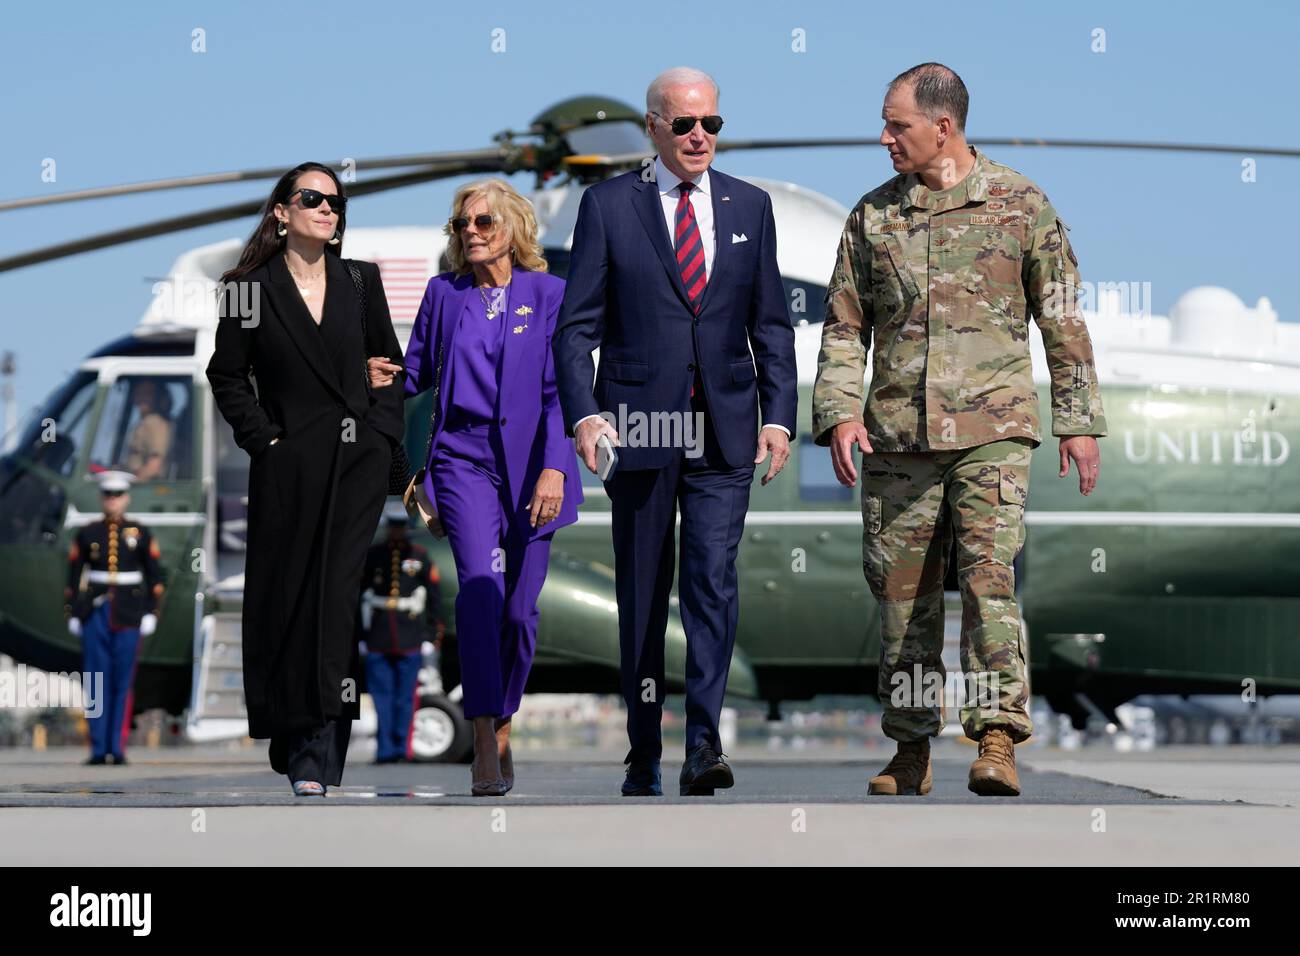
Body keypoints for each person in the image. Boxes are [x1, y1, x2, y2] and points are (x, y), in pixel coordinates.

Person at [812, 63, 1107, 797]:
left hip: (992, 433)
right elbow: (844, 329)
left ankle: (997, 739)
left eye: (897, 125)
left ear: (944, 127)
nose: (884, 139)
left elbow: (1062, 319)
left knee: (988, 584)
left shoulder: (1021, 205)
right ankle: (911, 752)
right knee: (902, 600)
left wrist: (1078, 423)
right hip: (898, 443)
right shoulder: (872, 218)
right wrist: (840, 413)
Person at [552, 67, 797, 797]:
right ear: (654, 128)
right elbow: (575, 330)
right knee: (643, 591)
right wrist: (584, 414)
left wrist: (779, 414)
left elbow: (771, 323)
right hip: (637, 428)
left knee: (712, 585)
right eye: (685, 125)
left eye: (711, 125)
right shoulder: (607, 206)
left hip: (725, 428)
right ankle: (642, 748)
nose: (700, 137)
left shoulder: (750, 205)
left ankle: (703, 744)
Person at [206, 161, 406, 797]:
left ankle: (321, 746)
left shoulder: (359, 280)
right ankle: (290, 730)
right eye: (312, 198)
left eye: (335, 201)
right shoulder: (247, 288)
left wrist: (380, 437)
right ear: (281, 212)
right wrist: (265, 441)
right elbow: (226, 376)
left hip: (356, 465)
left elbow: (390, 367)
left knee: (335, 598)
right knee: (286, 597)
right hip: (289, 467)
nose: (327, 209)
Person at [385, 178, 583, 796]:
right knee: (478, 592)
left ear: (513, 230)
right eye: (461, 225)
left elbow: (562, 390)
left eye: (483, 223)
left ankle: (504, 720)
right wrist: (371, 368)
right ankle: (482, 741)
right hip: (462, 460)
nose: (470, 232)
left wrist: (555, 465)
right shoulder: (444, 294)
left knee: (521, 612)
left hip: (534, 466)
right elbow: (415, 372)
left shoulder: (550, 294)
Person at [63, 470, 164, 765]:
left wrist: (151, 611)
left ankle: (116, 747)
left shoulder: (140, 533)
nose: (113, 500)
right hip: (96, 611)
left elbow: (155, 578)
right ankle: (97, 747)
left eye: (118, 495)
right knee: (96, 681)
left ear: (127, 498)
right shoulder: (88, 533)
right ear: (101, 497)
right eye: (108, 495)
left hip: (129, 613)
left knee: (122, 681)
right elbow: (73, 576)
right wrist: (72, 611)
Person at [357, 501, 442, 764]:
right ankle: (385, 750)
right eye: (393, 527)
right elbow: (359, 595)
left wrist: (431, 635)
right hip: (379, 634)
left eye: (401, 527)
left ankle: (402, 750)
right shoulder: (373, 556)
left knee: (406, 697)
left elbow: (434, 598)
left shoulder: (419, 556)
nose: (397, 532)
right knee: (382, 697)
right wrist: (360, 635)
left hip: (410, 634)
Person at [121, 379, 173, 481]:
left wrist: (131, 484)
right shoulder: (145, 422)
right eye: (138, 393)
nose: (141, 398)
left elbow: (155, 465)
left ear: (158, 397)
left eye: (147, 394)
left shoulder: (154, 423)